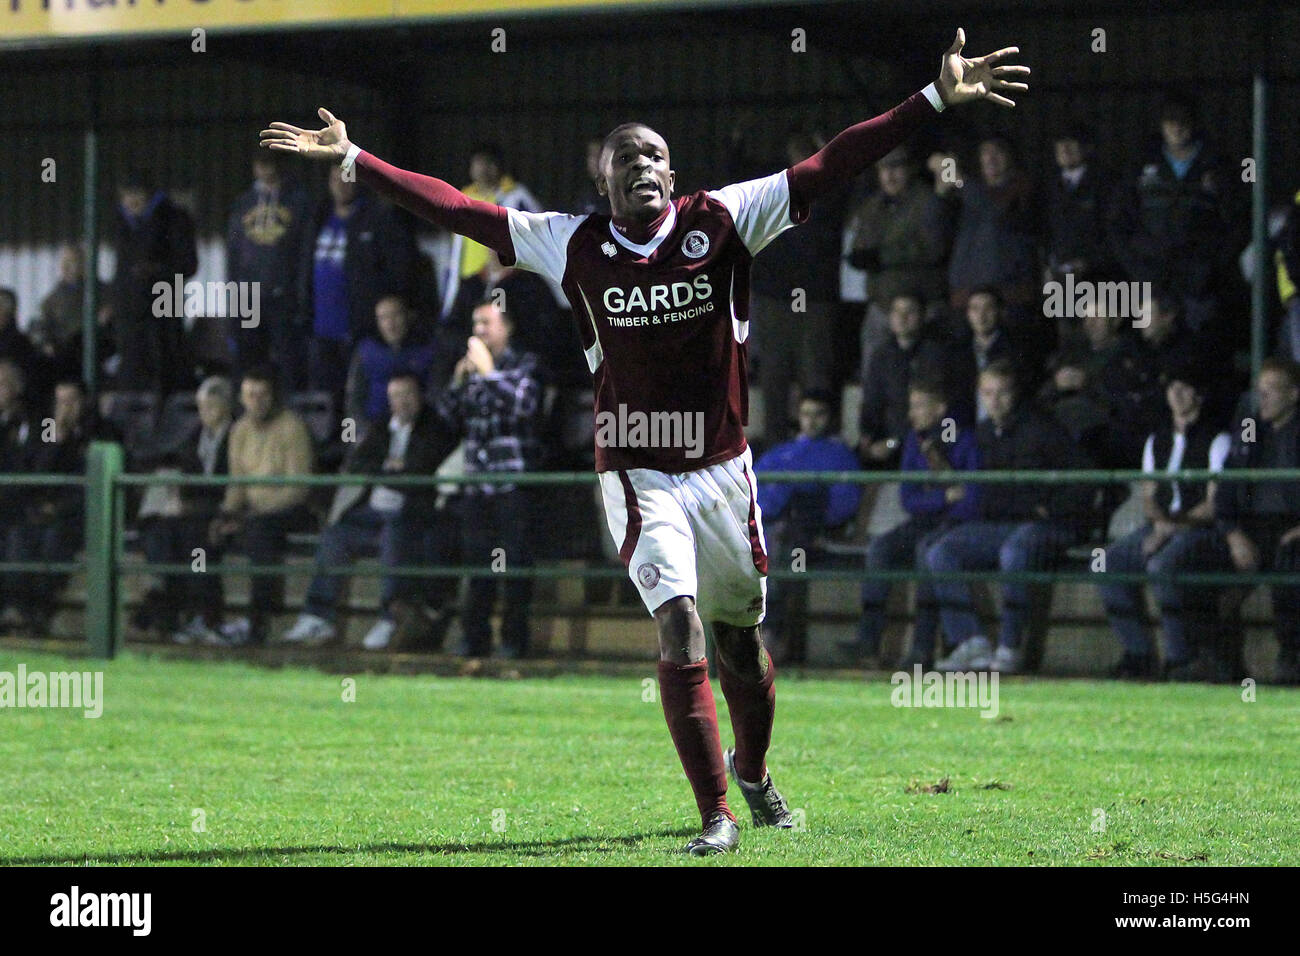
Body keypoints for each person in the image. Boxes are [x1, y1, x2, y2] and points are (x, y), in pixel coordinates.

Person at [260, 27, 1028, 854]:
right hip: (635, 467)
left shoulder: (726, 218)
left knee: (740, 640)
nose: (644, 165)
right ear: (604, 179)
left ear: (673, 169)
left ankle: (755, 773)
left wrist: (936, 99)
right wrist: (355, 158)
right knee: (681, 625)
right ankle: (716, 817)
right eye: (626, 158)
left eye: (656, 154)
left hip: (724, 468)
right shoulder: (573, 242)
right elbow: (456, 207)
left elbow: (831, 164)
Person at [925, 360, 1091, 674]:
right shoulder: (983, 433)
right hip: (999, 525)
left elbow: (1082, 477)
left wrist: (1051, 508)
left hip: (1044, 526)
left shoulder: (1043, 428)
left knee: (1015, 551)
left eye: (1002, 393)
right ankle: (972, 643)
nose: (995, 401)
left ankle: (1010, 646)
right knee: (940, 551)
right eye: (988, 393)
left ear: (1015, 394)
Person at [282, 372, 458, 650]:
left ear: (420, 396)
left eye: (408, 395)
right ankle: (318, 615)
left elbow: (421, 468)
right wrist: (390, 469)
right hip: (371, 513)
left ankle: (389, 618)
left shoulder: (435, 428)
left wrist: (387, 471)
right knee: (335, 534)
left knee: (395, 532)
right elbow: (359, 464)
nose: (402, 402)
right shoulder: (380, 429)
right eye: (396, 396)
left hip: (410, 515)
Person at [1096, 364, 1231, 679]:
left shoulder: (1217, 439)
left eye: (1185, 388)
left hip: (1199, 530)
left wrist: (1173, 527)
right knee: (1105, 563)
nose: (1178, 395)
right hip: (1160, 525)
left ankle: (1179, 658)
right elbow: (1148, 495)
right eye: (1172, 388)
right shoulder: (1156, 440)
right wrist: (1160, 524)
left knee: (1162, 566)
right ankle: (1138, 654)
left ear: (1199, 394)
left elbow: (1214, 503)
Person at [433, 298, 544, 660]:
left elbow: (522, 408)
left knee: (514, 569)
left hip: (513, 484)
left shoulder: (525, 363)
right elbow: (449, 419)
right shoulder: (472, 368)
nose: (478, 331)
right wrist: (458, 380)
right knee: (477, 566)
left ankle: (513, 642)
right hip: (477, 484)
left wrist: (487, 373)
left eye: (486, 323)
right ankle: (474, 639)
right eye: (475, 323)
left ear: (506, 327)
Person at [841, 379, 979, 668]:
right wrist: (943, 497)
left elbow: (969, 498)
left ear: (940, 409)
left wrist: (941, 498)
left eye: (918, 406)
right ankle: (868, 640)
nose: (911, 414)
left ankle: (922, 648)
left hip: (953, 525)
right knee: (880, 547)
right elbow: (909, 499)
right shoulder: (915, 444)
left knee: (925, 554)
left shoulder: (964, 439)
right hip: (923, 520)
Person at [753, 388, 861, 664]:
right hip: (773, 533)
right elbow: (756, 497)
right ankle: (763, 638)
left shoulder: (840, 456)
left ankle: (771, 637)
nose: (811, 421)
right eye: (806, 414)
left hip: (813, 537)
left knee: (785, 547)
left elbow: (844, 504)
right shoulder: (780, 454)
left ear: (829, 418)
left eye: (818, 415)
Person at [209, 365, 315, 646]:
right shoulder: (239, 430)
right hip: (251, 511)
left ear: (273, 396)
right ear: (242, 399)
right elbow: (237, 483)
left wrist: (253, 514)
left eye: (262, 394)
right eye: (250, 395)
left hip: (286, 509)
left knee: (260, 534)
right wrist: (227, 513)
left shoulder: (292, 427)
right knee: (205, 534)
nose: (256, 401)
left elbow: (298, 487)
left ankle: (258, 621)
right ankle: (208, 617)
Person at [1216, 358, 1300, 685]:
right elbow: (1225, 488)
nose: (1261, 399)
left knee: (1289, 566)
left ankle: (1291, 660)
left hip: (1292, 529)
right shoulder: (1250, 429)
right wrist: (1233, 534)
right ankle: (1221, 663)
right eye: (1258, 392)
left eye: (1271, 392)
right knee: (1198, 561)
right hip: (1252, 530)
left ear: (1294, 394)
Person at [300, 165, 415, 401]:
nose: (341, 185)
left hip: (361, 329)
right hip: (321, 330)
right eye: (335, 179)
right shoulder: (319, 218)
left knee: (357, 394)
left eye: (346, 178)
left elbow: (398, 269)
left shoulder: (378, 218)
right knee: (327, 397)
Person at [133, 376, 233, 644]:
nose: (204, 413)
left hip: (219, 509)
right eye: (201, 407)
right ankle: (162, 594)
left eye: (211, 407)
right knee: (160, 530)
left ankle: (199, 613)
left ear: (225, 407)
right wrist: (177, 497)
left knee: (195, 544)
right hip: (193, 510)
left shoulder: (237, 435)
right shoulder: (197, 435)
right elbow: (182, 468)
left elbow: (231, 484)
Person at [846, 145, 949, 380]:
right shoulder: (872, 206)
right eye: (884, 168)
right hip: (882, 305)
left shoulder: (927, 201)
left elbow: (933, 247)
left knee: (925, 374)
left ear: (909, 169)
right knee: (875, 371)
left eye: (897, 168)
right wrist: (862, 256)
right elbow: (861, 244)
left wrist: (883, 256)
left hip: (922, 306)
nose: (890, 175)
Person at [226, 150, 315, 394]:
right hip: (248, 298)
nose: (268, 170)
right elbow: (233, 256)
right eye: (262, 164)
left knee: (289, 365)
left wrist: (301, 298)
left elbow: (305, 255)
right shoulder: (243, 203)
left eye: (272, 164)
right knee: (247, 365)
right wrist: (234, 300)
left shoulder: (299, 202)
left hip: (283, 297)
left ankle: (289, 421)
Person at [103, 169, 198, 394]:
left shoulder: (174, 219)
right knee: (132, 368)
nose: (131, 201)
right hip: (130, 313)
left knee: (164, 368)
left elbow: (188, 264)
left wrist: (155, 271)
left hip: (162, 311)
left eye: (136, 194)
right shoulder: (121, 224)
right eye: (126, 195)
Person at [344, 294, 436, 430]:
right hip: (373, 427)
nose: (390, 324)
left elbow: (435, 393)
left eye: (395, 315)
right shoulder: (365, 351)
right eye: (383, 318)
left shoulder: (425, 350)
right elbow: (352, 400)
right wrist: (352, 440)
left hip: (418, 429)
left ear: (408, 316)